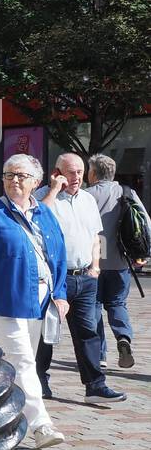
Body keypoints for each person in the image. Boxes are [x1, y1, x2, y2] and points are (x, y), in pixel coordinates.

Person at [0, 153, 69, 449]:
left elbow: (58, 256)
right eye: (9, 175)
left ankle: (3, 412)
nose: (14, 181)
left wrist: (60, 294)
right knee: (22, 359)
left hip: (41, 298)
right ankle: (41, 425)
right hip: (5, 297)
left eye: (21, 176)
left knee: (25, 362)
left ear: (36, 182)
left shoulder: (46, 214)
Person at [36, 152, 125, 404]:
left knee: (89, 332)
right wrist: (54, 190)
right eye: (70, 172)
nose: (76, 177)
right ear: (57, 173)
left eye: (79, 172)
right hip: (55, 278)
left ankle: (95, 386)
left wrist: (95, 267)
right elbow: (38, 219)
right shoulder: (44, 196)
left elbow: (96, 237)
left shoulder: (87, 199)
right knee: (46, 332)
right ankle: (39, 380)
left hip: (85, 277)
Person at [87, 153, 145, 370]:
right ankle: (123, 337)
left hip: (91, 263)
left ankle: (98, 354)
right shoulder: (126, 192)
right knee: (117, 304)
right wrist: (140, 253)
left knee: (92, 306)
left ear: (93, 173)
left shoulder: (84, 195)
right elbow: (145, 222)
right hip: (120, 261)